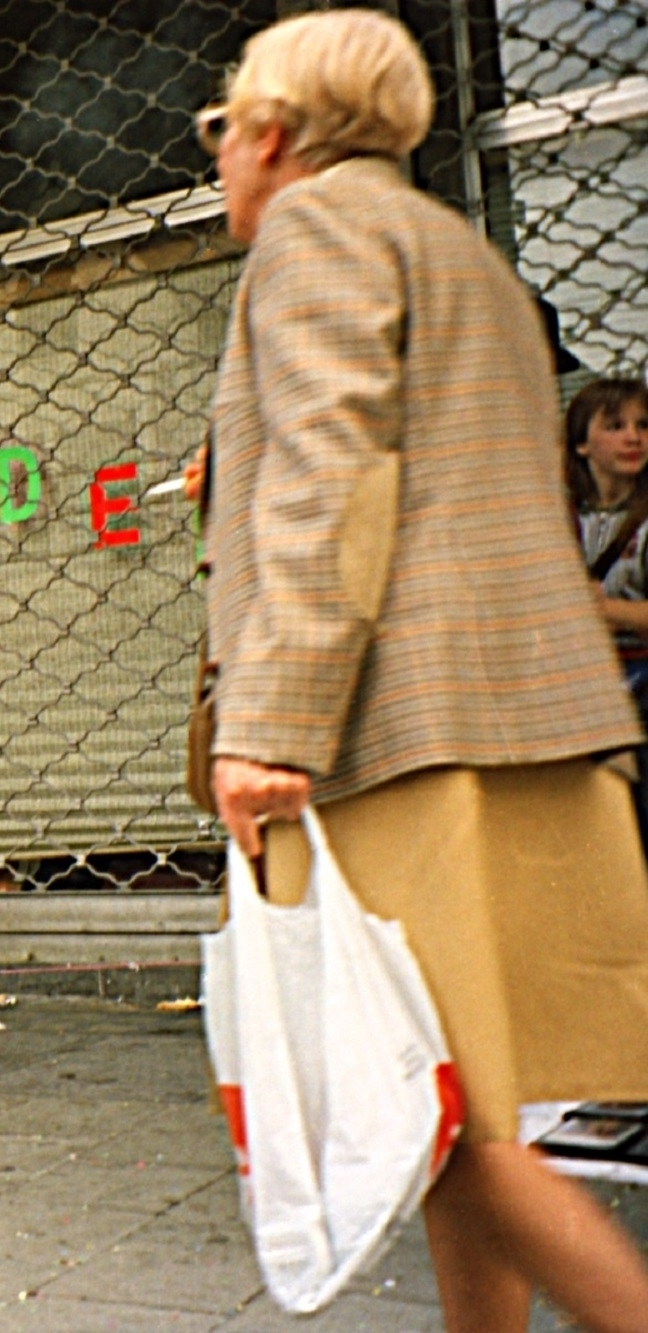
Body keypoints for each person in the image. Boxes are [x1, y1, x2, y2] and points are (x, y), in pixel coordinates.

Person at [199, 12, 648, 1330]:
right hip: (526, 731)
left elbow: (333, 483)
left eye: (222, 130)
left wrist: (267, 720)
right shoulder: (466, 255)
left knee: (428, 1098)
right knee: (461, 1101)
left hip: (402, 736)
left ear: (273, 135)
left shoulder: (313, 232)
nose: (219, 157)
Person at [567, 377, 648, 840]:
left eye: (642, 425)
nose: (634, 437)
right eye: (615, 425)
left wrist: (608, 611)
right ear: (582, 444)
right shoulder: (562, 521)